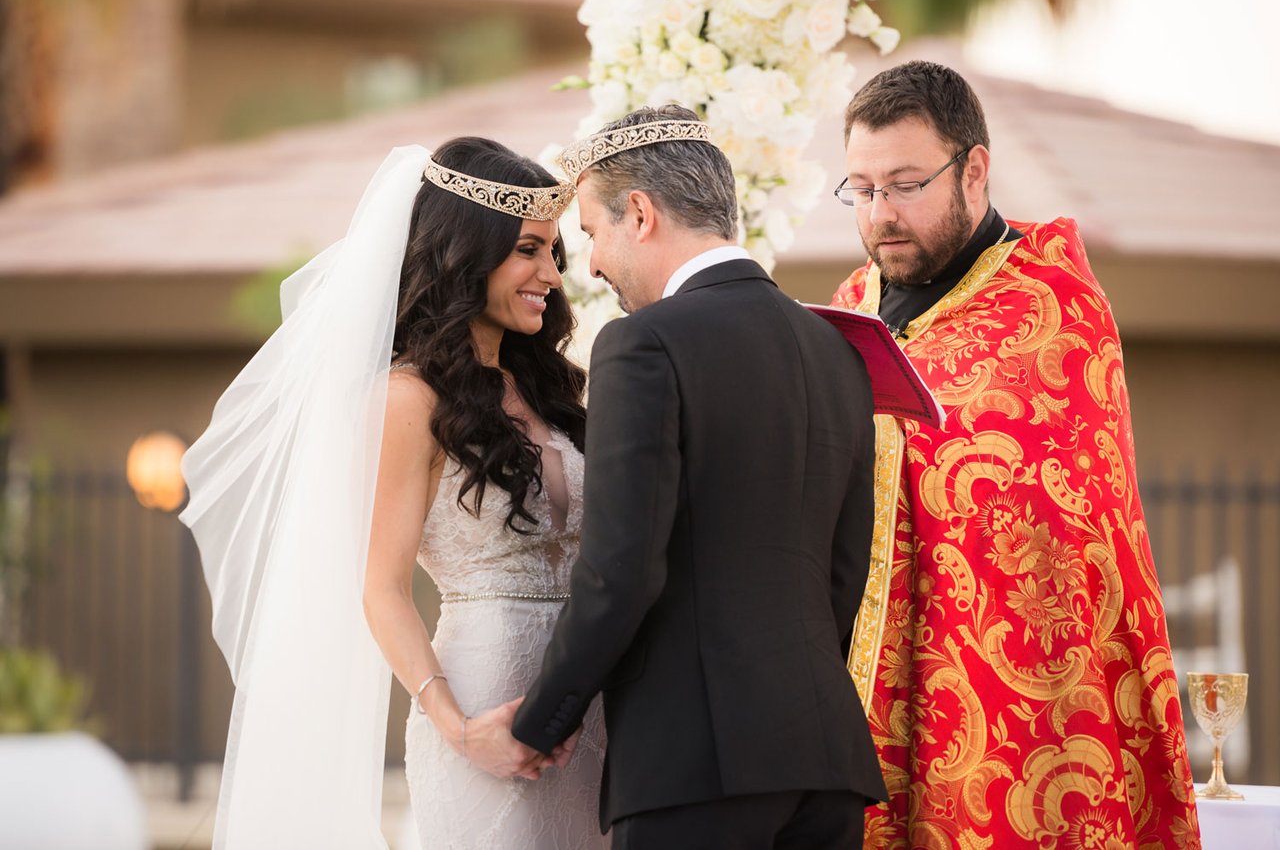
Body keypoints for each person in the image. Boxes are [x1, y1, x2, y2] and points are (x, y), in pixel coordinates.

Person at [180, 138, 607, 849]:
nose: (551, 276)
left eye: (554, 252)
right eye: (529, 250)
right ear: (470, 253)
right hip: (481, 705)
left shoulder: (553, 391)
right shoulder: (407, 400)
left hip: (590, 712)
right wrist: (461, 728)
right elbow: (380, 586)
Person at [828, 60, 1201, 848]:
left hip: (1021, 692)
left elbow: (1043, 504)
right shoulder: (852, 301)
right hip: (861, 690)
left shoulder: (1053, 305)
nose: (881, 214)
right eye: (861, 189)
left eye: (904, 184)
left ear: (975, 170)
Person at [505, 105, 888, 850]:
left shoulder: (642, 345)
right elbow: (845, 575)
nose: (589, 266)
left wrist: (541, 721)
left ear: (640, 215)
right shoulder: (838, 350)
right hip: (827, 763)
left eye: (591, 233)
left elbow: (621, 569)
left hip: (695, 767)